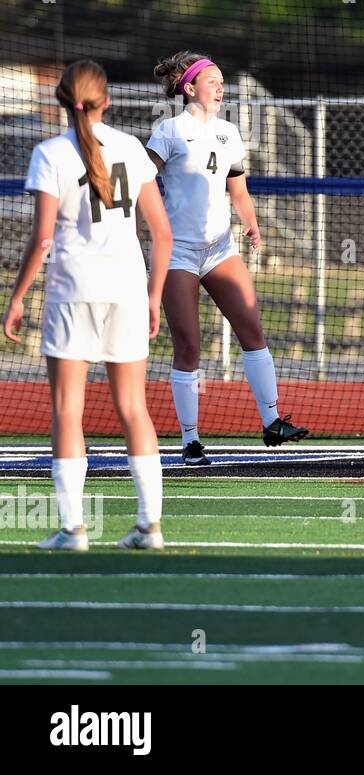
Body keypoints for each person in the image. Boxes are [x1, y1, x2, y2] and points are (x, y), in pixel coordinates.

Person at [3, 60, 174, 550]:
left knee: (67, 411)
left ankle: (73, 530)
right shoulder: (130, 147)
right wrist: (154, 296)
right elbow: (161, 233)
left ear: (60, 100)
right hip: (125, 289)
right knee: (133, 408)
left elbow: (40, 241)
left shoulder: (49, 153)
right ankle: (149, 528)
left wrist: (16, 299)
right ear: (107, 100)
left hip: (72, 291)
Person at [147, 52, 307, 466]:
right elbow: (144, 186)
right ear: (190, 88)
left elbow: (239, 192)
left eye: (222, 81)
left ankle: (273, 423)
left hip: (220, 247)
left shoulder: (229, 133)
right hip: (178, 250)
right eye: (212, 81)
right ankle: (191, 441)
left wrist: (251, 223)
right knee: (189, 345)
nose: (220, 87)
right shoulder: (169, 131)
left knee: (252, 327)